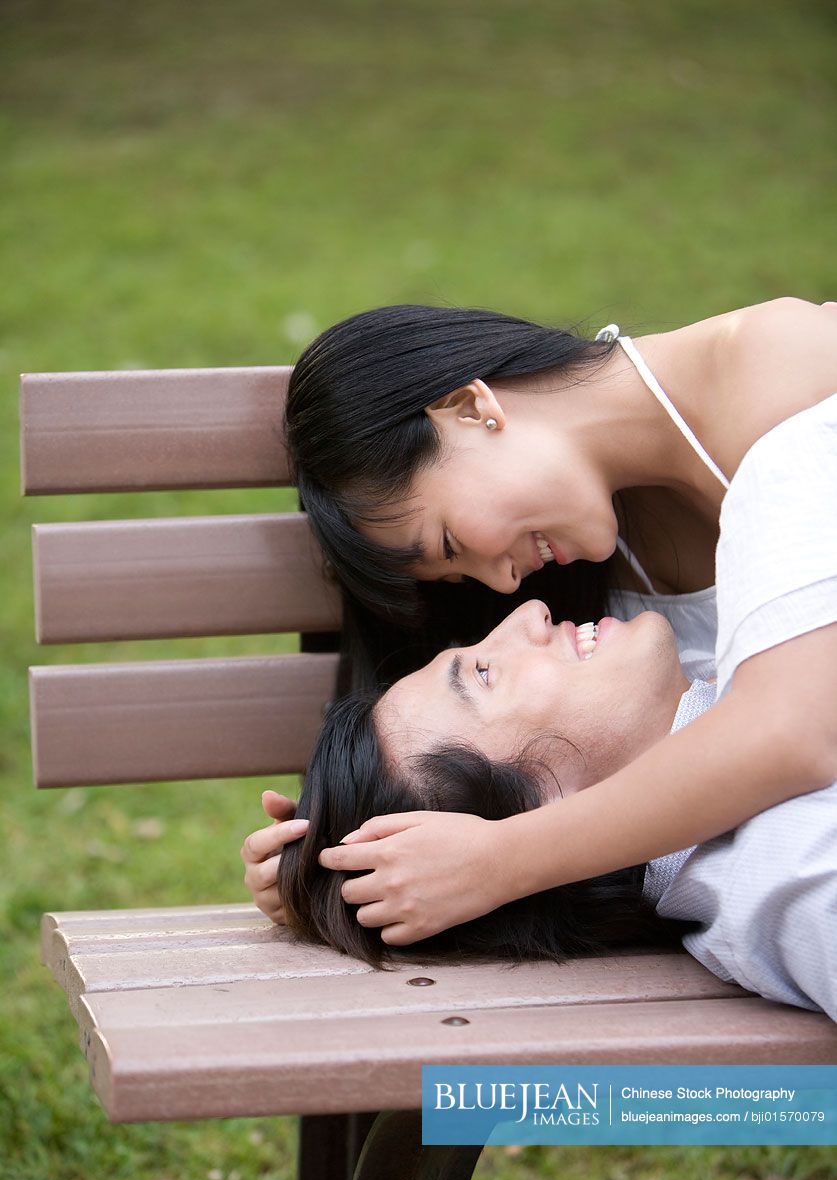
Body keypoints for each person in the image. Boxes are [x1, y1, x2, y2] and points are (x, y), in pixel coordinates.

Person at [243, 296, 836, 962]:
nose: (503, 589)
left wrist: (499, 860)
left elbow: (790, 733)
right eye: (456, 569)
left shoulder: (784, 372)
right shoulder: (598, 564)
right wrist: (345, 868)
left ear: (471, 409)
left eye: (445, 539)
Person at [251, 601, 836, 1017]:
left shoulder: (752, 672)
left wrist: (315, 871)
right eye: (484, 672)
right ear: (540, 811)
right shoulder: (789, 877)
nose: (529, 612)